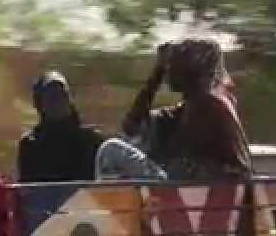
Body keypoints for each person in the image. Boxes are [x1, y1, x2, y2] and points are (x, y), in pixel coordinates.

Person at [95, 38, 253, 181]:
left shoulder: (210, 107)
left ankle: (108, 210)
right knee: (137, 143)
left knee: (111, 150)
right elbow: (132, 127)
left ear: (192, 71)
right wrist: (156, 75)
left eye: (173, 65)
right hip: (183, 189)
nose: (168, 71)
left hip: (188, 192)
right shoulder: (191, 107)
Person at [18, 71, 106, 183]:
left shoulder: (92, 140)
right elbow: (27, 190)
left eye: (63, 94)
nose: (59, 101)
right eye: (52, 96)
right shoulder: (30, 144)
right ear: (40, 104)